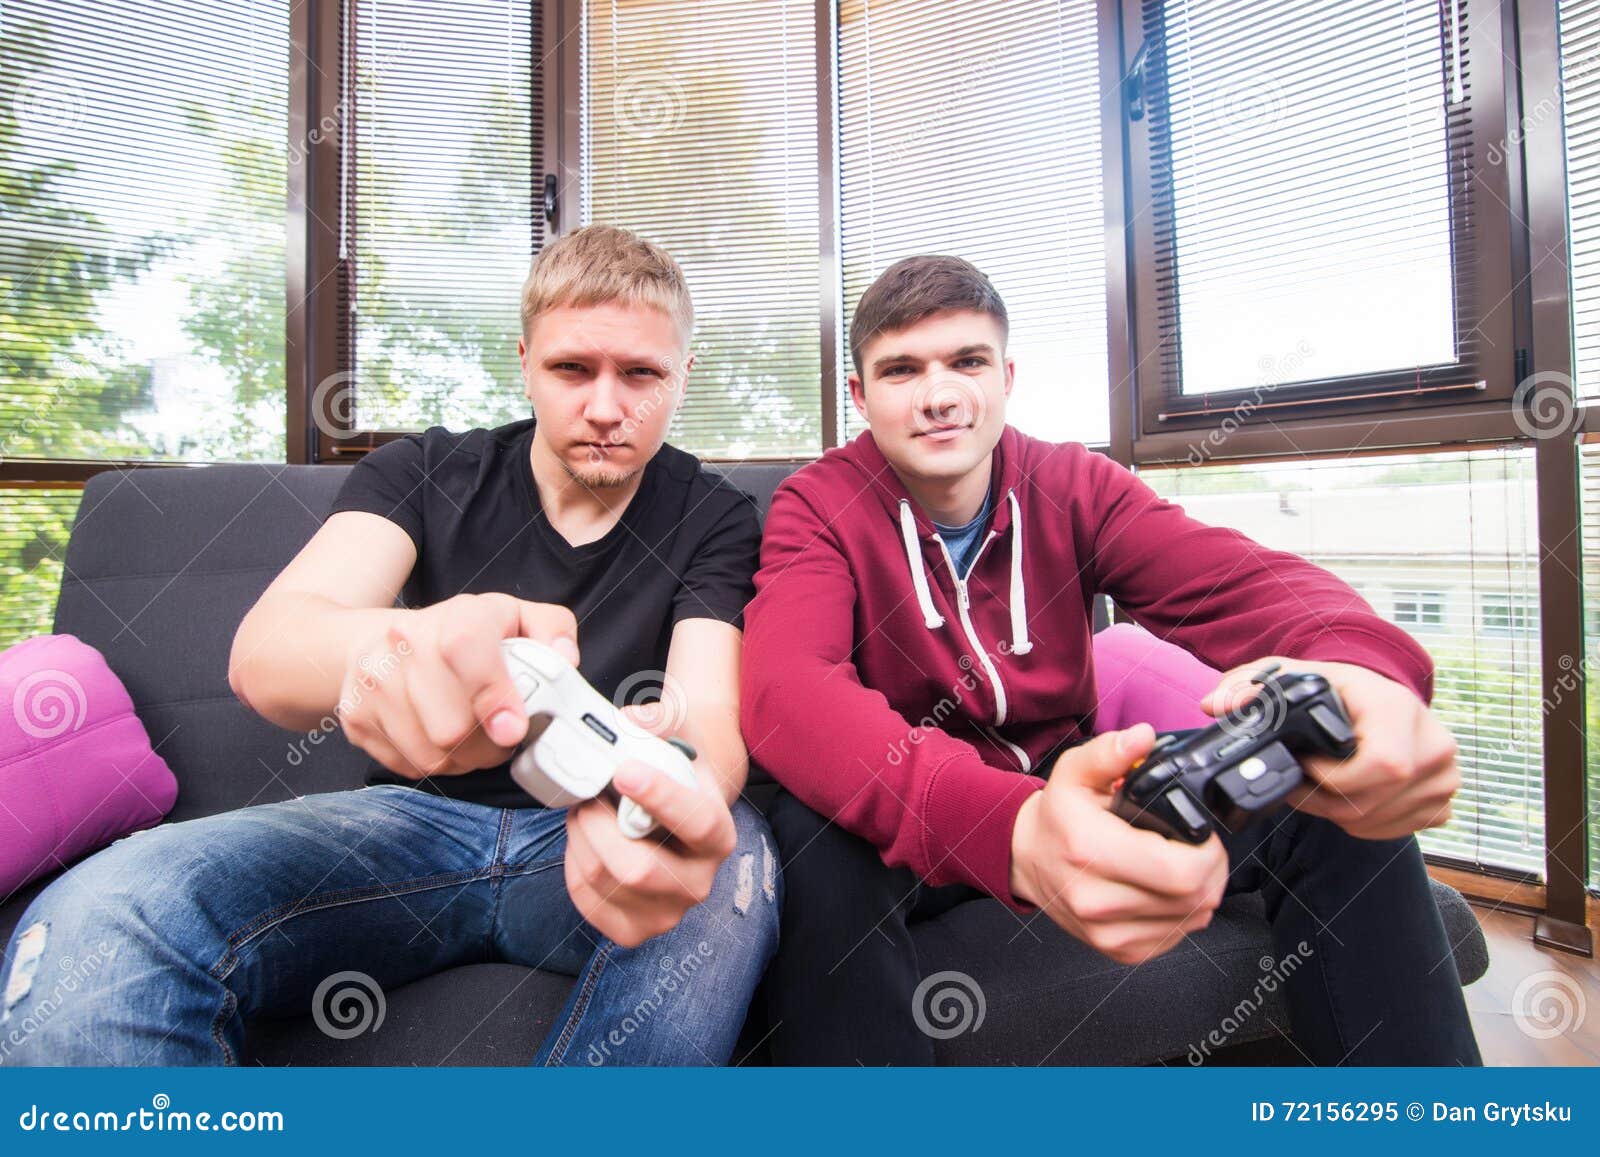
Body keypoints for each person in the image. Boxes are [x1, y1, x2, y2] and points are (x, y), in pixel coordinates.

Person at [0, 225, 779, 1066]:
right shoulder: (423, 470)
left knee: (729, 866)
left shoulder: (716, 513)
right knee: (103, 909)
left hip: (593, 821)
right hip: (409, 826)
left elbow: (711, 722)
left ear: (683, 378)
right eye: (570, 368)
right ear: (524, 361)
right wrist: (412, 639)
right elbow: (268, 653)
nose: (603, 406)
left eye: (641, 375)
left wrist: (667, 786)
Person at [743, 254, 1480, 1066]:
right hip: (913, 823)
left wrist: (1361, 669)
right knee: (814, 839)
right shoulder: (817, 503)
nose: (940, 393)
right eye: (902, 370)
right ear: (860, 395)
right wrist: (1011, 826)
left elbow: (1234, 579)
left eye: (967, 361)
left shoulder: (1070, 482)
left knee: (1315, 775)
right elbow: (787, 690)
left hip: (1070, 785)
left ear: (1007, 374)